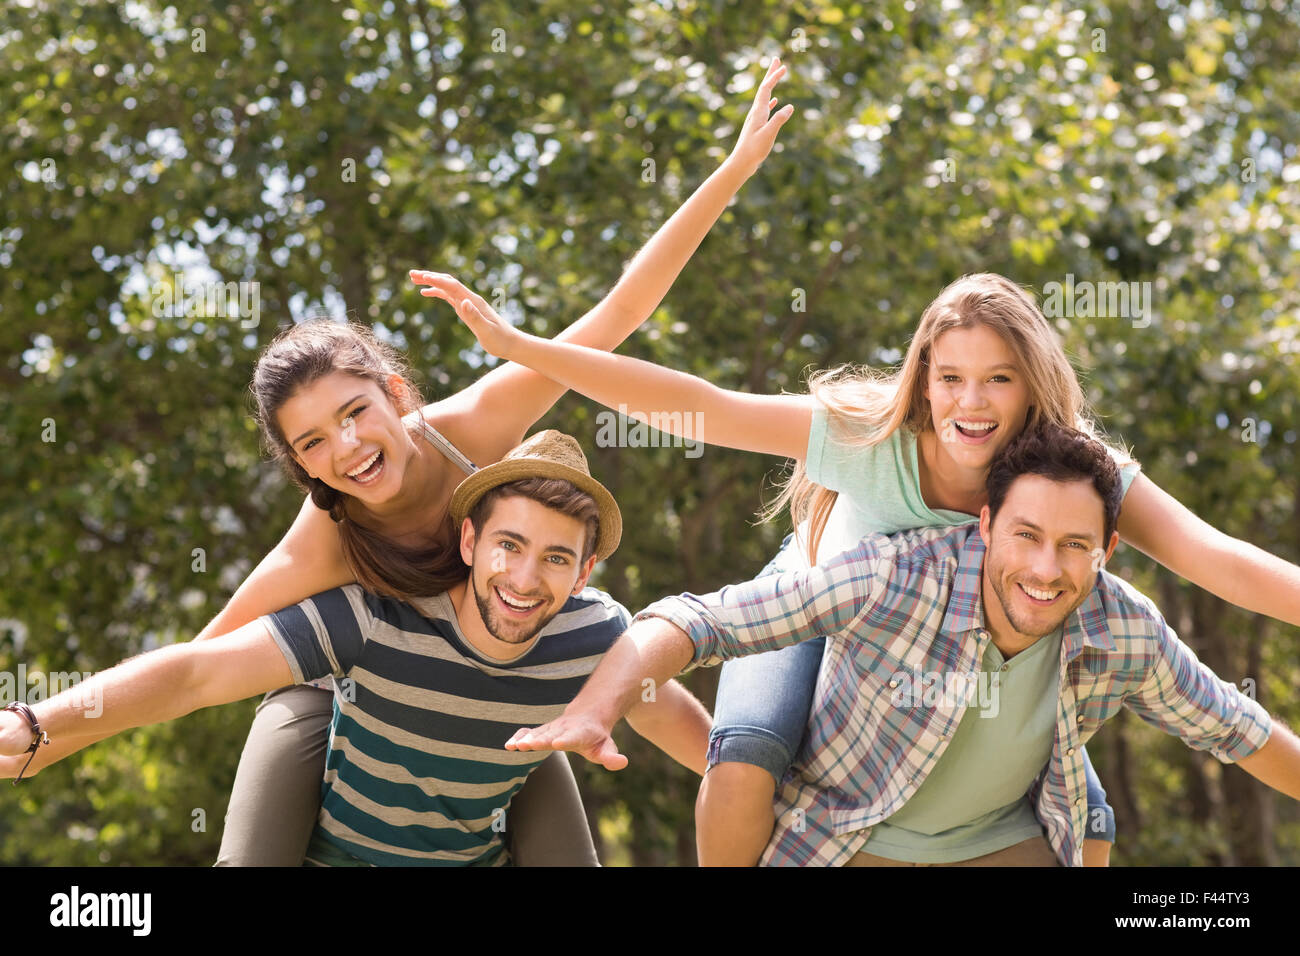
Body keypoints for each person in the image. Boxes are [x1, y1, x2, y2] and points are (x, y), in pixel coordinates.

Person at [0, 58, 795, 866]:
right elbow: (195, 671)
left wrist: (731, 173)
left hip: (498, 696)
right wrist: (38, 733)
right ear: (303, 469)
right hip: (347, 702)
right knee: (288, 720)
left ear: (396, 394)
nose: (345, 449)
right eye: (313, 445)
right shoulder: (326, 540)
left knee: (542, 725)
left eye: (354, 414)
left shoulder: (475, 428)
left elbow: (617, 313)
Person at [424, 268, 1300, 866]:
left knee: (1087, 811)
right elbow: (698, 405)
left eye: (997, 380)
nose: (971, 402)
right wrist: (529, 352)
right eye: (950, 377)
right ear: (922, 378)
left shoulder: (1062, 480)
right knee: (745, 762)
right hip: (819, 604)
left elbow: (1215, 560)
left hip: (973, 653)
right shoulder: (868, 431)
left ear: (1033, 386)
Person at [505, 424, 1300, 866]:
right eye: (1024, 536)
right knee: (745, 752)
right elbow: (698, 619)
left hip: (998, 846)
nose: (1045, 569)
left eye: (1074, 546)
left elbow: (1239, 728)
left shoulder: (1120, 627)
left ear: (1108, 550)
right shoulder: (894, 576)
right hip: (852, 842)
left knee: (1100, 834)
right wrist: (597, 707)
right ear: (984, 527)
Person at [0, 431, 711, 866]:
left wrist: (804, 806)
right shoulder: (373, 619)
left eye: (557, 559)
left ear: (584, 573)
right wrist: (38, 724)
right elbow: (194, 675)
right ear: (470, 542)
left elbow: (692, 738)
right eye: (510, 546)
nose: (525, 580)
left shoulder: (595, 636)